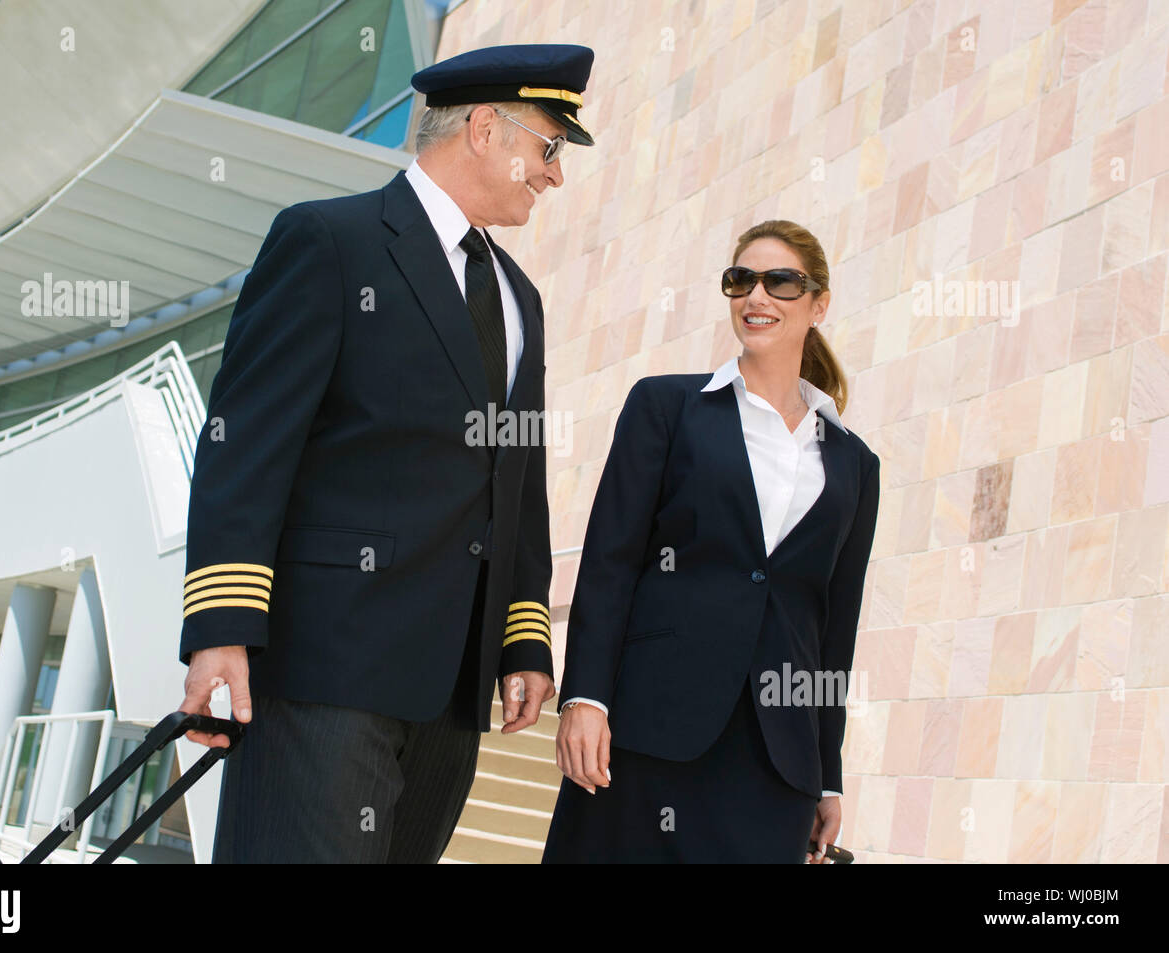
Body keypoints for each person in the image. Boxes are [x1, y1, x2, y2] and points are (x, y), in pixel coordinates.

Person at [175, 43, 597, 863]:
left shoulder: (521, 298)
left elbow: (518, 483)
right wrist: (221, 625)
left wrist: (523, 637)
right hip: (326, 672)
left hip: (450, 694)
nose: (554, 174)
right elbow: (246, 442)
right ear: (484, 129)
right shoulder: (330, 241)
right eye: (549, 147)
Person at [543, 219, 881, 863]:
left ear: (818, 305)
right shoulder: (666, 407)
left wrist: (827, 774)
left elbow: (835, 627)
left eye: (780, 282)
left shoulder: (854, 464)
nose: (757, 296)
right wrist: (585, 697)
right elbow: (611, 561)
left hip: (777, 761)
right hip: (648, 729)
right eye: (741, 280)